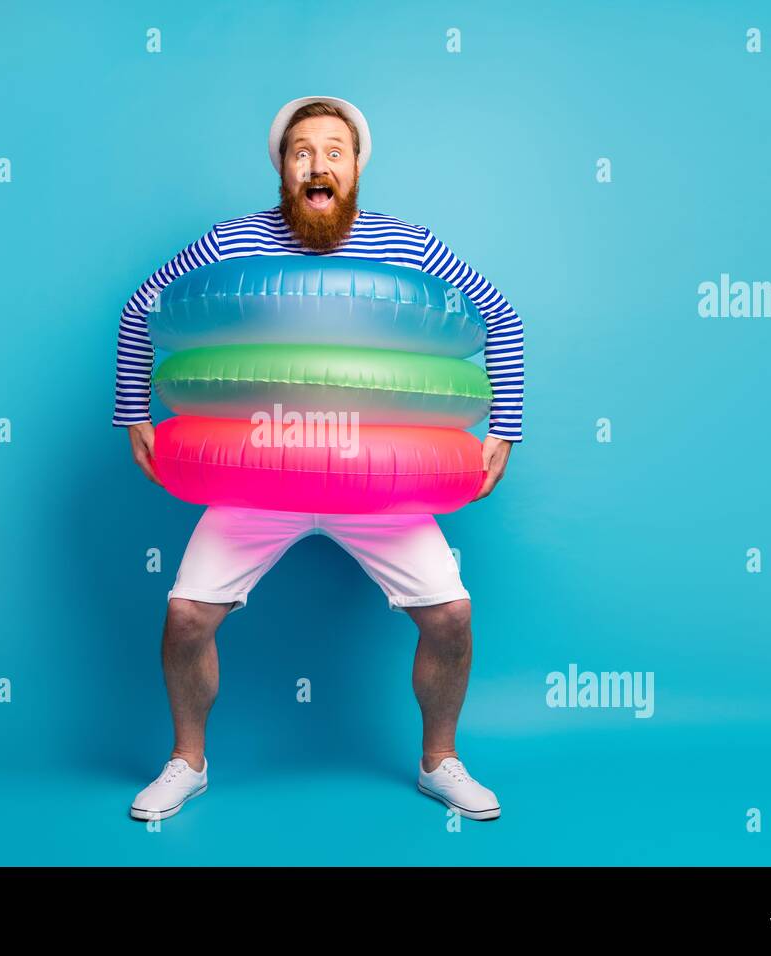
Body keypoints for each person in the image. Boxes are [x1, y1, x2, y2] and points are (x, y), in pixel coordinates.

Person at [113, 95, 523, 822]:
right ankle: (187, 762)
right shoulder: (231, 243)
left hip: (376, 479)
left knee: (452, 617)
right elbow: (144, 306)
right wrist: (134, 413)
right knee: (184, 618)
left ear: (357, 166)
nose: (318, 164)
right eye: (302, 152)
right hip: (259, 468)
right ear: (283, 168)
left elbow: (501, 318)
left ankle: (441, 762)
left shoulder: (410, 245)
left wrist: (504, 429)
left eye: (335, 150)